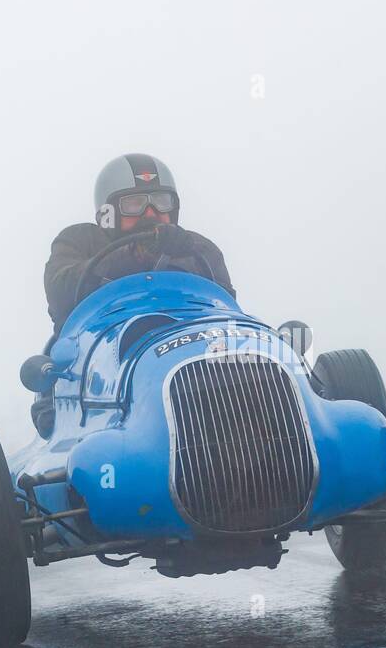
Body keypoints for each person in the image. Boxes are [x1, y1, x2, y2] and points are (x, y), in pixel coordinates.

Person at [32, 154, 235, 436]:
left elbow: (225, 305)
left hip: (200, 355)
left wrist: (184, 251)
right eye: (134, 204)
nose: (150, 213)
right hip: (102, 359)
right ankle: (52, 398)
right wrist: (130, 255)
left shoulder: (197, 246)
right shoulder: (79, 240)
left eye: (161, 202)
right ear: (108, 211)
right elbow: (60, 289)